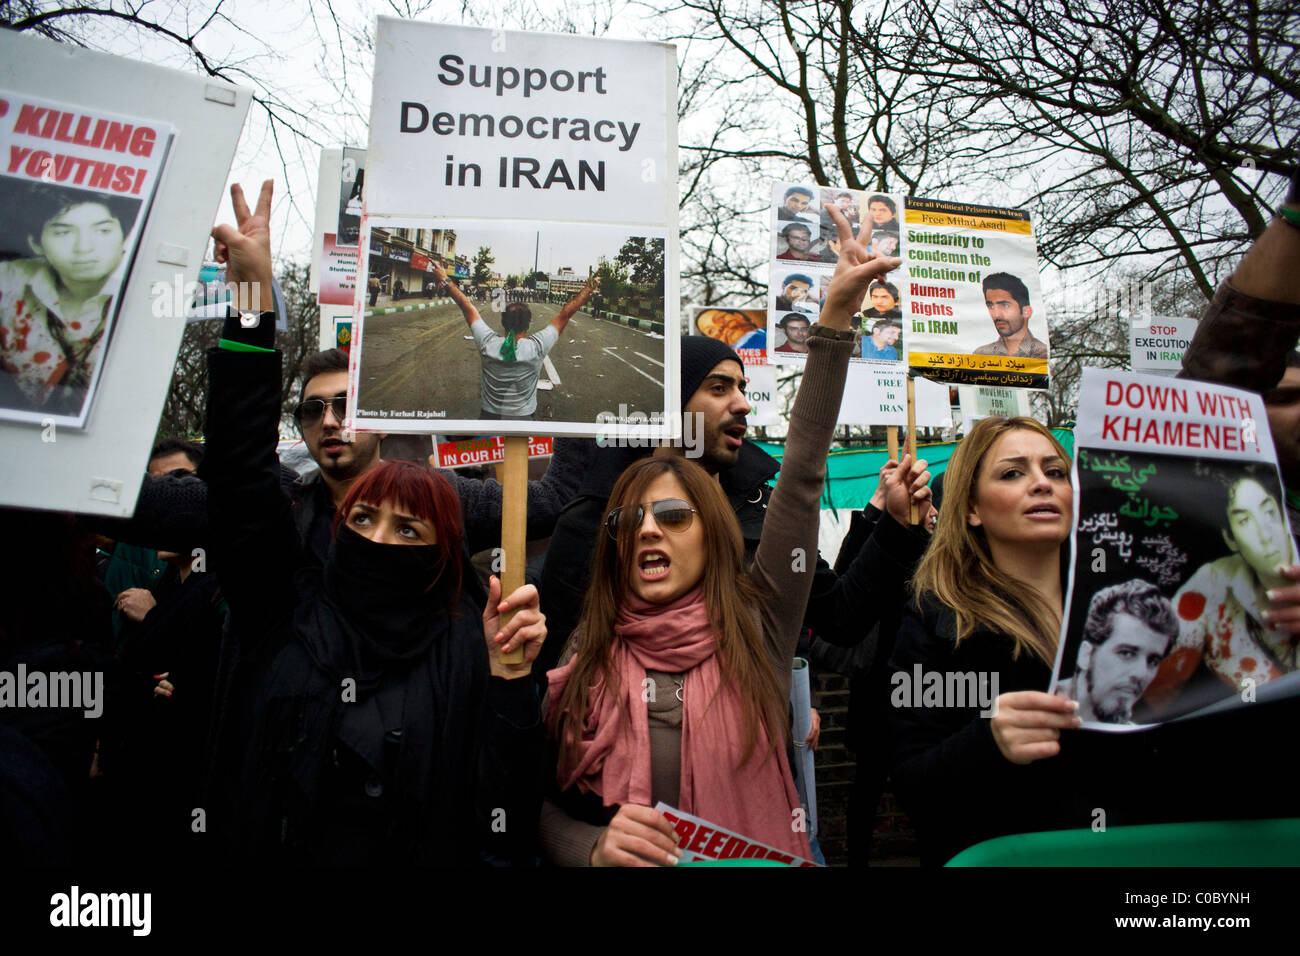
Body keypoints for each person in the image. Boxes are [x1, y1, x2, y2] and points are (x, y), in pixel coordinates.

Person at [203, 180, 548, 864]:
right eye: (364, 517)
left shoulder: (469, 642)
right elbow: (239, 480)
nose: (380, 538)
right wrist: (249, 307)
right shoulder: (283, 607)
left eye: (410, 530)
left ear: (443, 551)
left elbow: (500, 803)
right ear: (335, 525)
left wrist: (513, 682)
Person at [539, 201, 884, 866]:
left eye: (673, 516)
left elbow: (805, 471)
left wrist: (836, 318)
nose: (648, 531)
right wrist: (592, 847)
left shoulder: (759, 625)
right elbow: (534, 802)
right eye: (629, 520)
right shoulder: (583, 651)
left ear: (715, 537)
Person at [888, 416, 1084, 864]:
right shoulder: (937, 620)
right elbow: (911, 782)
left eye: (1055, 472)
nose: (1041, 484)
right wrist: (987, 742)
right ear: (972, 508)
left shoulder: (1128, 603)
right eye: (1013, 473)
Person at [1145, 473, 1299, 713]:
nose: (1265, 535)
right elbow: (1153, 694)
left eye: (1269, 513)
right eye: (1245, 521)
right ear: (1230, 538)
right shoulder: (1213, 585)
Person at [0, 184, 139, 416]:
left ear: (124, 238)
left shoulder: (150, 293)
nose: (84, 248)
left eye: (103, 231)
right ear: (36, 243)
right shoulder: (9, 282)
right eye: (63, 232)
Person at [437, 261, 597, 420]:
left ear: (503, 323)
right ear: (527, 325)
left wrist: (444, 278)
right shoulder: (537, 347)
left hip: (489, 419)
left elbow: (466, 306)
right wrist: (588, 289)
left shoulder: (487, 343)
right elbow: (565, 314)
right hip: (524, 420)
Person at [1054, 579, 1178, 724]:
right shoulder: (1033, 702)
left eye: (1153, 661)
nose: (1141, 673)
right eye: (1127, 653)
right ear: (1086, 655)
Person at [972, 273, 1048, 358]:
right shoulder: (982, 355)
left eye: (1005, 305)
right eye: (991, 306)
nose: (997, 315)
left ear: (1026, 311)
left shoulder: (1043, 353)